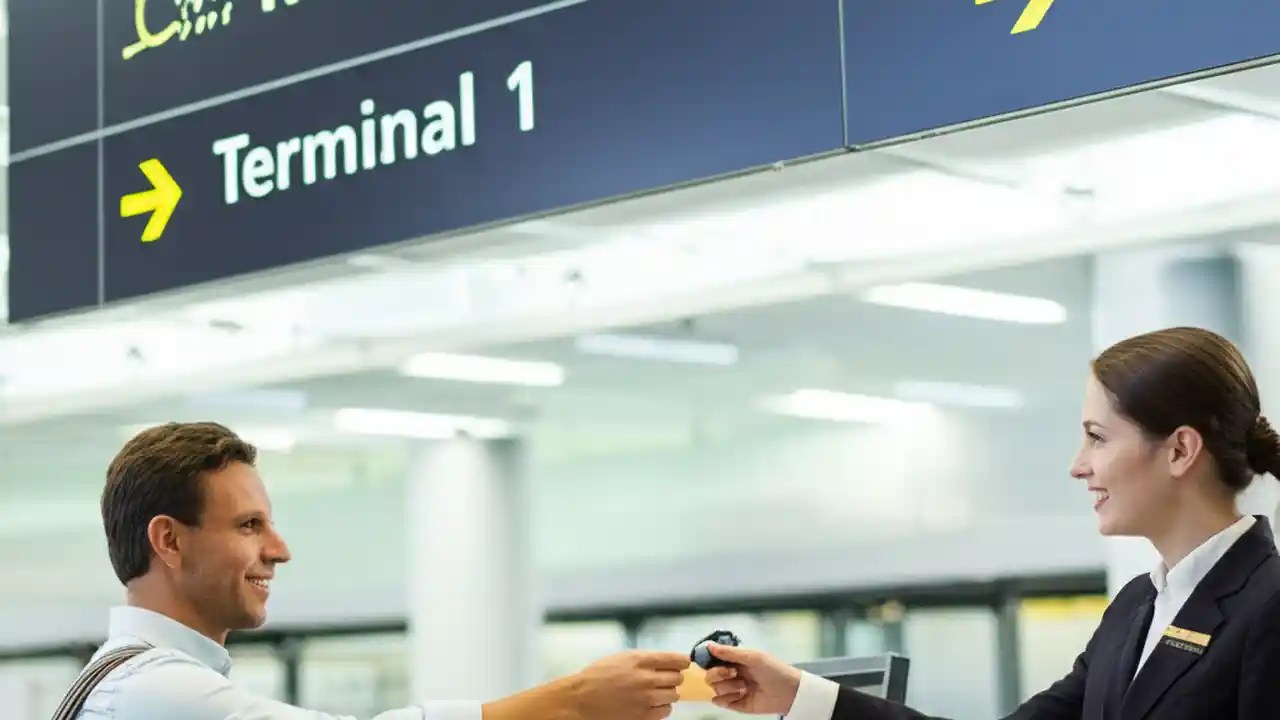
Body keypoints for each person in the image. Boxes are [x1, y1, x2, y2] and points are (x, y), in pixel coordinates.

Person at [702, 327, 1280, 720]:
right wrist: (801, 696)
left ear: (1180, 450)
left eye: (1097, 437)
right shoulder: (1136, 608)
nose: (1078, 465)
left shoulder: (1268, 604)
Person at [67, 421, 689, 720]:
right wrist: (576, 699)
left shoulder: (119, 680)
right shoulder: (153, 692)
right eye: (249, 526)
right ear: (168, 541)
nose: (279, 550)